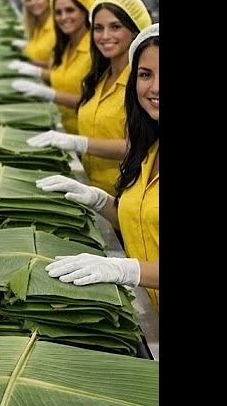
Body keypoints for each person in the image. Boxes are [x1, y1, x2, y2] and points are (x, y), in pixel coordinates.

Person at [35, 23, 158, 311]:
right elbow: (144, 222)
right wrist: (100, 201)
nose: (155, 87)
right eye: (145, 74)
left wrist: (127, 269)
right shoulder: (149, 149)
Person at [19, 0, 152, 196]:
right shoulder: (100, 76)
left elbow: (139, 145)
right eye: (98, 28)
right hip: (95, 185)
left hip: (126, 196)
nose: (105, 36)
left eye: (115, 27)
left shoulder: (142, 83)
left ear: (135, 31)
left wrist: (80, 143)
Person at [7, 0, 95, 135]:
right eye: (58, 12)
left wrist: (50, 94)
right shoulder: (66, 46)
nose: (63, 17)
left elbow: (93, 103)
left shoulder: (95, 50)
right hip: (67, 128)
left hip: (86, 135)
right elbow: (61, 75)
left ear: (84, 11)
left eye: (70, 10)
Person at [11, 0, 55, 67]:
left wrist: (35, 69)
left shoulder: (58, 27)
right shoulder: (36, 27)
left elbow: (60, 67)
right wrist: (27, 47)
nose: (33, 2)